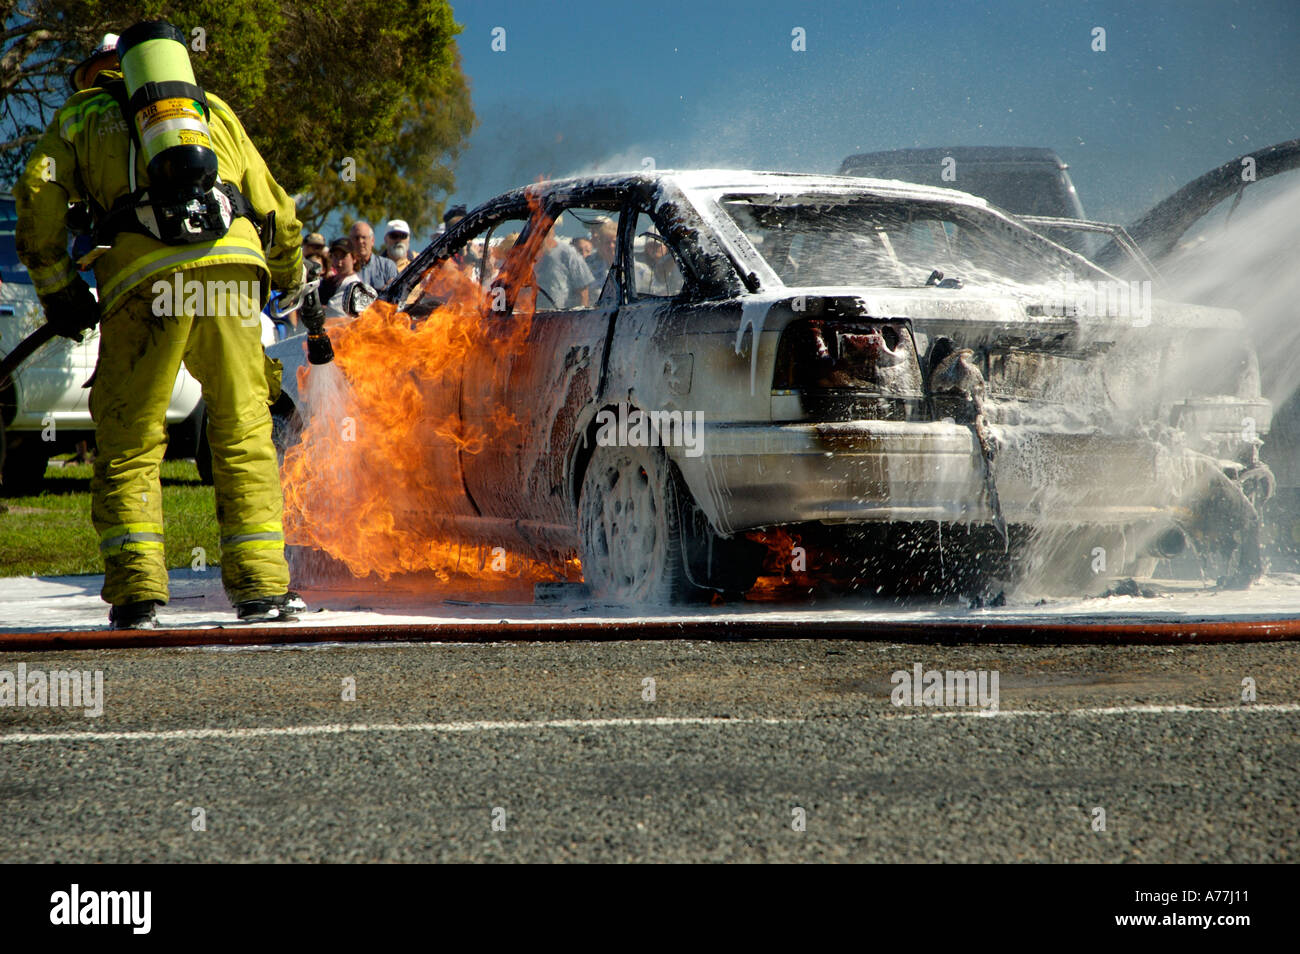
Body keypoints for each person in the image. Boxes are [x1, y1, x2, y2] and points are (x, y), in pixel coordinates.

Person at [13, 27, 307, 629]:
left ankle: (138, 594)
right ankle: (262, 592)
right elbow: (275, 206)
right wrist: (288, 280)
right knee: (243, 425)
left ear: (98, 70)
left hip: (145, 282)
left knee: (130, 437)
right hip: (230, 272)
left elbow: (38, 188)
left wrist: (57, 285)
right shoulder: (209, 109)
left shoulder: (82, 112)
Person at [533, 216, 592, 310]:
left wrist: (581, 319)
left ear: (553, 228)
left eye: (547, 226)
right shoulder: (527, 254)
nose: (542, 230)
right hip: (533, 316)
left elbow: (583, 291)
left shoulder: (568, 252)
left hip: (561, 317)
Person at [348, 220, 397, 290]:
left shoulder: (387, 266)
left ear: (372, 241)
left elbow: (395, 294)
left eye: (364, 237)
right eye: (356, 238)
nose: (360, 241)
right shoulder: (346, 267)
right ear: (350, 242)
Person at [320, 237, 360, 317]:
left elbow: (336, 314)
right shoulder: (328, 282)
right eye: (335, 256)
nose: (339, 261)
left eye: (343, 256)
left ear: (354, 258)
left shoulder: (355, 286)